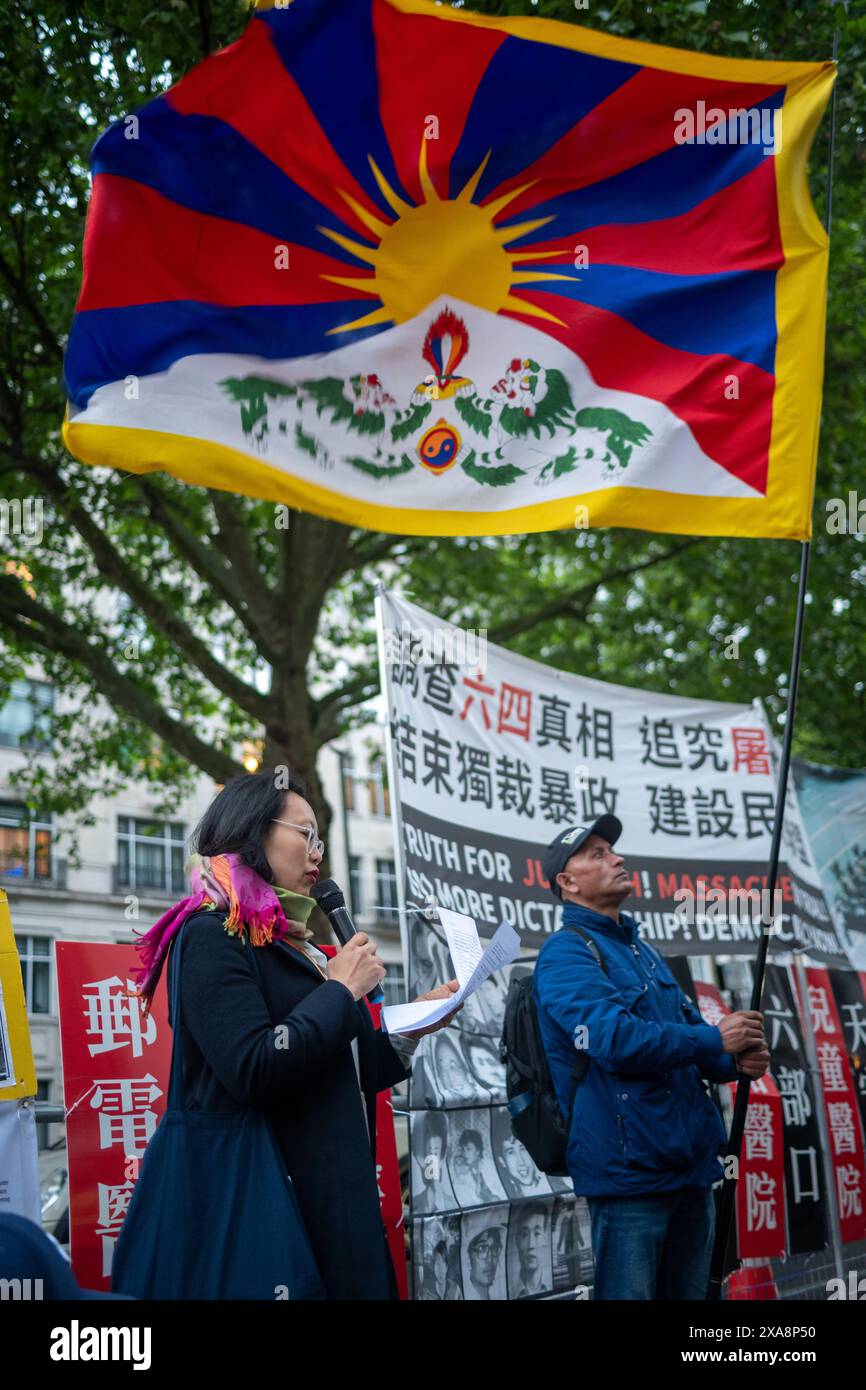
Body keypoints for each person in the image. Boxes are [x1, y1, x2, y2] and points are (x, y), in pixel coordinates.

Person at [129, 768, 461, 1300]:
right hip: (269, 1203)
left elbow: (341, 1069)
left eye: (319, 838)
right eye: (304, 833)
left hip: (337, 1198)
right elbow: (254, 1068)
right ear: (252, 829)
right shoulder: (212, 934)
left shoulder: (295, 942)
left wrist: (411, 1027)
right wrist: (338, 991)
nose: (317, 854)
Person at [533, 818, 770, 1301]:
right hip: (629, 1179)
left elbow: (692, 1045)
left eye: (613, 850)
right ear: (567, 882)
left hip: (691, 1168)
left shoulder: (642, 950)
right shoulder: (564, 954)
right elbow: (613, 1041)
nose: (617, 859)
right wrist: (712, 1041)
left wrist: (734, 1062)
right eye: (597, 854)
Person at [510, 1202, 553, 1298]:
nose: (531, 1245)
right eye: (524, 1235)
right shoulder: (511, 1295)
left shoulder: (556, 1287)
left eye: (537, 1233)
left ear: (545, 1238)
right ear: (517, 1240)